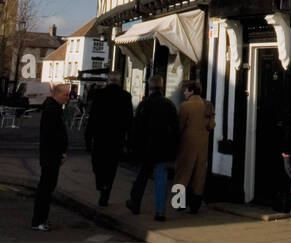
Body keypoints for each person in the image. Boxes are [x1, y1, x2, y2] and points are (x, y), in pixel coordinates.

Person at [125, 75, 178, 222]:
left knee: (141, 177)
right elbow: (175, 129)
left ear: (149, 87)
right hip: (163, 149)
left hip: (146, 148)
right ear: (162, 87)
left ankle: (135, 203)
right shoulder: (169, 105)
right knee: (161, 179)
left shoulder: (145, 104)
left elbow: (136, 128)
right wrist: (174, 149)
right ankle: (160, 211)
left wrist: (133, 147)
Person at [85, 73, 133, 206]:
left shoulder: (99, 95)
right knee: (111, 167)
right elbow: (129, 120)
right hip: (117, 137)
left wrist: (88, 138)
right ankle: (105, 193)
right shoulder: (125, 96)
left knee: (98, 164)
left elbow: (92, 117)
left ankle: (101, 184)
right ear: (119, 81)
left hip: (100, 136)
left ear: (108, 80)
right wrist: (129, 140)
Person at [31, 82, 70, 231]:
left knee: (47, 188)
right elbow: (52, 135)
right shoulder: (52, 110)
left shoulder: (54, 108)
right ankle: (39, 221)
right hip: (50, 156)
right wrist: (60, 152)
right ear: (56, 94)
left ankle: (41, 219)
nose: (68, 97)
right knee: (46, 189)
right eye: (65, 94)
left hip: (51, 155)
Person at [174, 80, 215, 214]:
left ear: (191, 91)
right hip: (203, 144)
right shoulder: (207, 105)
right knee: (199, 174)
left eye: (185, 91)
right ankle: (195, 205)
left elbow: (179, 127)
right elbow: (211, 126)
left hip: (187, 144)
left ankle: (179, 203)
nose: (184, 93)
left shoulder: (185, 106)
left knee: (183, 173)